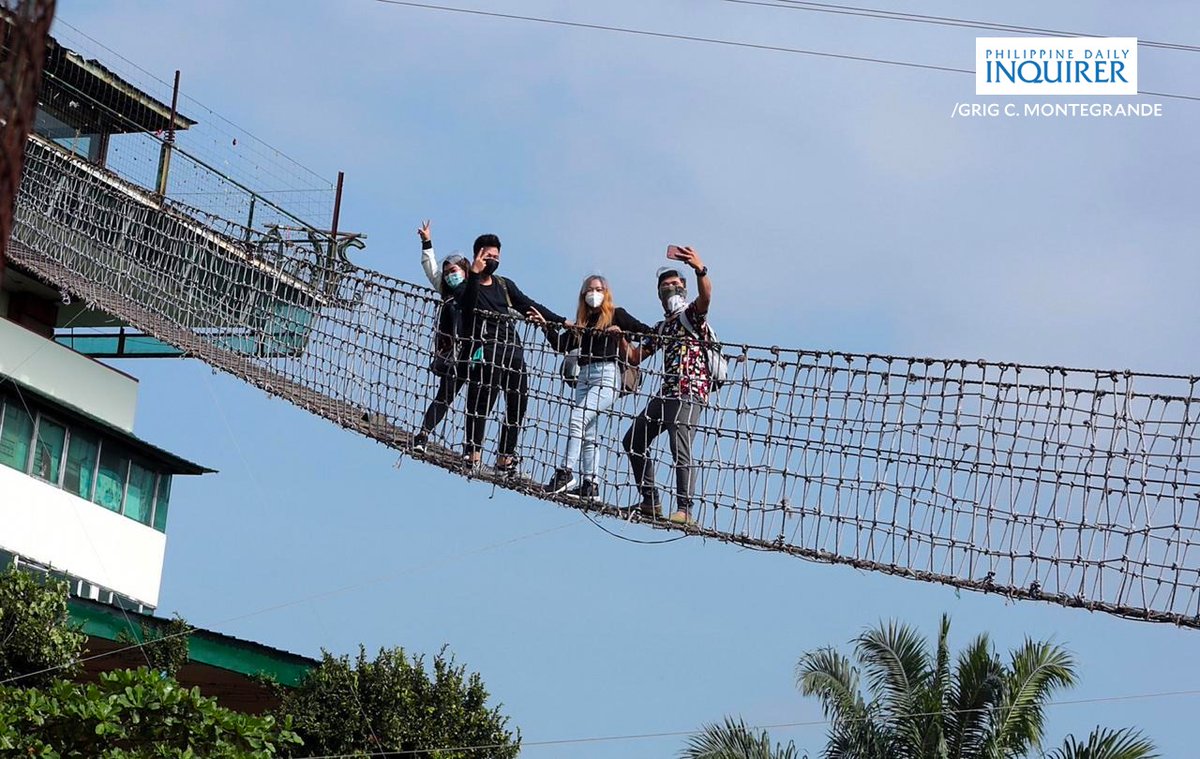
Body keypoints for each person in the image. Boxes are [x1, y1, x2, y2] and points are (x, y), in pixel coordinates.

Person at [531, 275, 652, 499]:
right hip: (583, 375)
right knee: (588, 431)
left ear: (606, 293)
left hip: (607, 375)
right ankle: (590, 484)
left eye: (598, 289)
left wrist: (622, 337)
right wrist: (545, 327)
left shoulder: (616, 314)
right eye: (589, 290)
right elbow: (561, 345)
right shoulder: (583, 322)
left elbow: (646, 332)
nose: (593, 294)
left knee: (577, 418)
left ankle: (565, 472)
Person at [459, 234, 566, 473]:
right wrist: (474, 274)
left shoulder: (504, 285)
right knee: (482, 402)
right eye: (488, 256)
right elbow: (467, 308)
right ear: (477, 256)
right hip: (486, 350)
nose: (493, 260)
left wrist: (561, 321)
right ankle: (472, 453)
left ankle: (504, 458)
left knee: (517, 404)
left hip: (512, 350)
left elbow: (528, 305)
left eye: (496, 257)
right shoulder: (466, 286)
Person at [623, 246, 713, 524]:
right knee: (634, 439)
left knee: (679, 445)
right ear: (659, 294)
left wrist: (700, 269)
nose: (671, 289)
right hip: (667, 394)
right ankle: (650, 500)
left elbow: (706, 298)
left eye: (675, 284)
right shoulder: (663, 327)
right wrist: (619, 339)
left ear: (684, 288)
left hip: (690, 391)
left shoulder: (691, 316)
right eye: (665, 286)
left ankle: (685, 509)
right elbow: (636, 357)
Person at [412, 220, 470, 453]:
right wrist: (427, 242)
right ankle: (423, 435)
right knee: (444, 396)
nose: (449, 276)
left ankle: (472, 452)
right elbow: (431, 268)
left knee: (478, 403)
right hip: (452, 355)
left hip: (476, 354)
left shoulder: (477, 292)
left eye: (453, 271)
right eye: (447, 273)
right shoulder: (446, 292)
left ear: (465, 271)